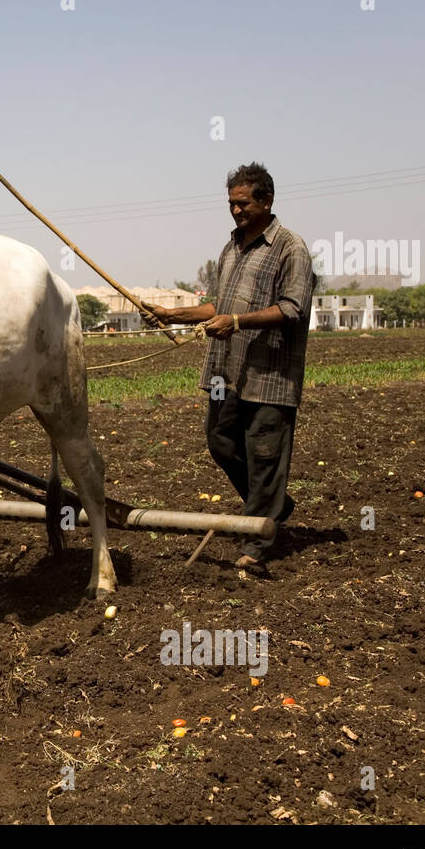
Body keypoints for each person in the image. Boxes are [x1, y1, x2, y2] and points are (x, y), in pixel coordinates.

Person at [145, 163, 314, 568]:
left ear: (266, 201)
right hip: (226, 371)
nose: (236, 211)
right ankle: (273, 504)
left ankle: (254, 543)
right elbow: (218, 305)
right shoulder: (231, 247)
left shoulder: (291, 249)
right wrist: (172, 315)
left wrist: (237, 322)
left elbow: (292, 309)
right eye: (231, 204)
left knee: (265, 454)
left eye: (243, 204)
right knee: (220, 442)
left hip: (269, 374)